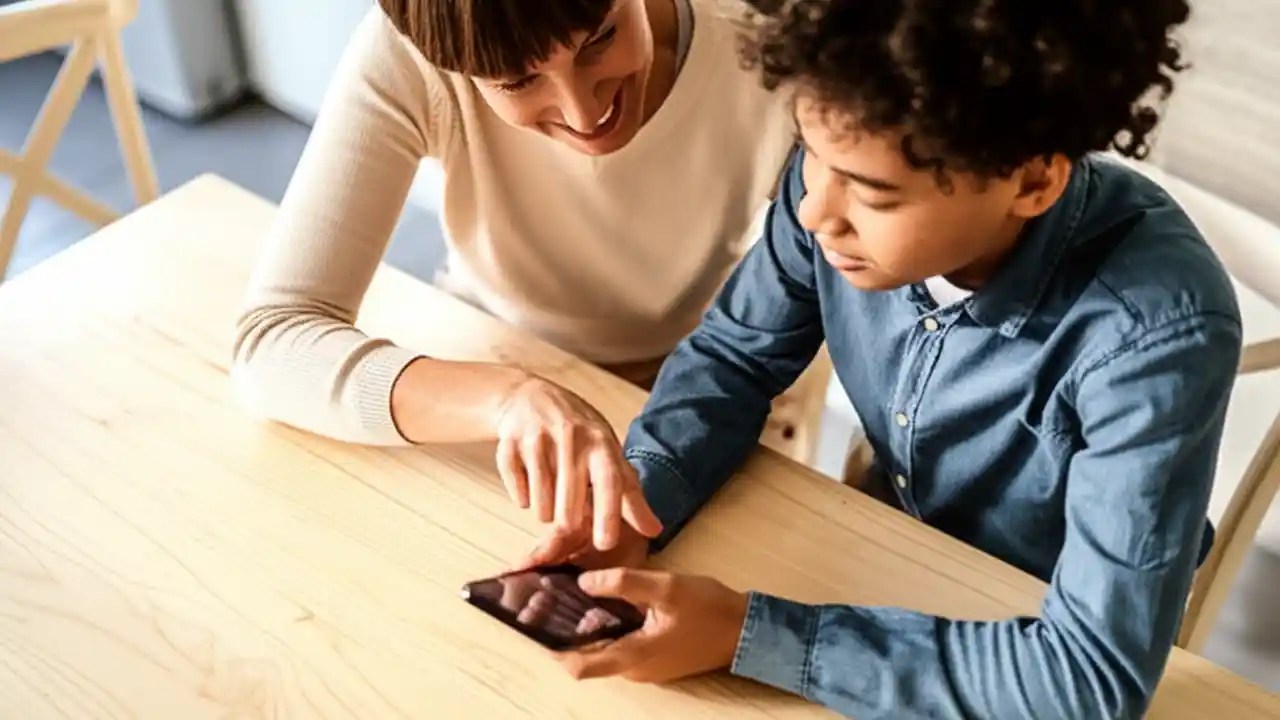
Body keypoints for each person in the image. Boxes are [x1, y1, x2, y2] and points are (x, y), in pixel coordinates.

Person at [525, 1, 1244, 717]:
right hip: (876, 559)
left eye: (872, 194)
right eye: (811, 155)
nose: (813, 213)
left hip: (1027, 632)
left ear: (1031, 183)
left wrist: (750, 634)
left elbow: (1086, 680)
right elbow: (733, 363)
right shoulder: (841, 165)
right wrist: (637, 507)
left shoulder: (1154, 333)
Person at [231, 0, 797, 552]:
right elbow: (273, 342)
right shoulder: (425, 42)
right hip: (491, 366)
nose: (583, 113)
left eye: (601, 38)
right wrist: (505, 400)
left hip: (716, 386)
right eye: (517, 81)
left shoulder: (766, 32)